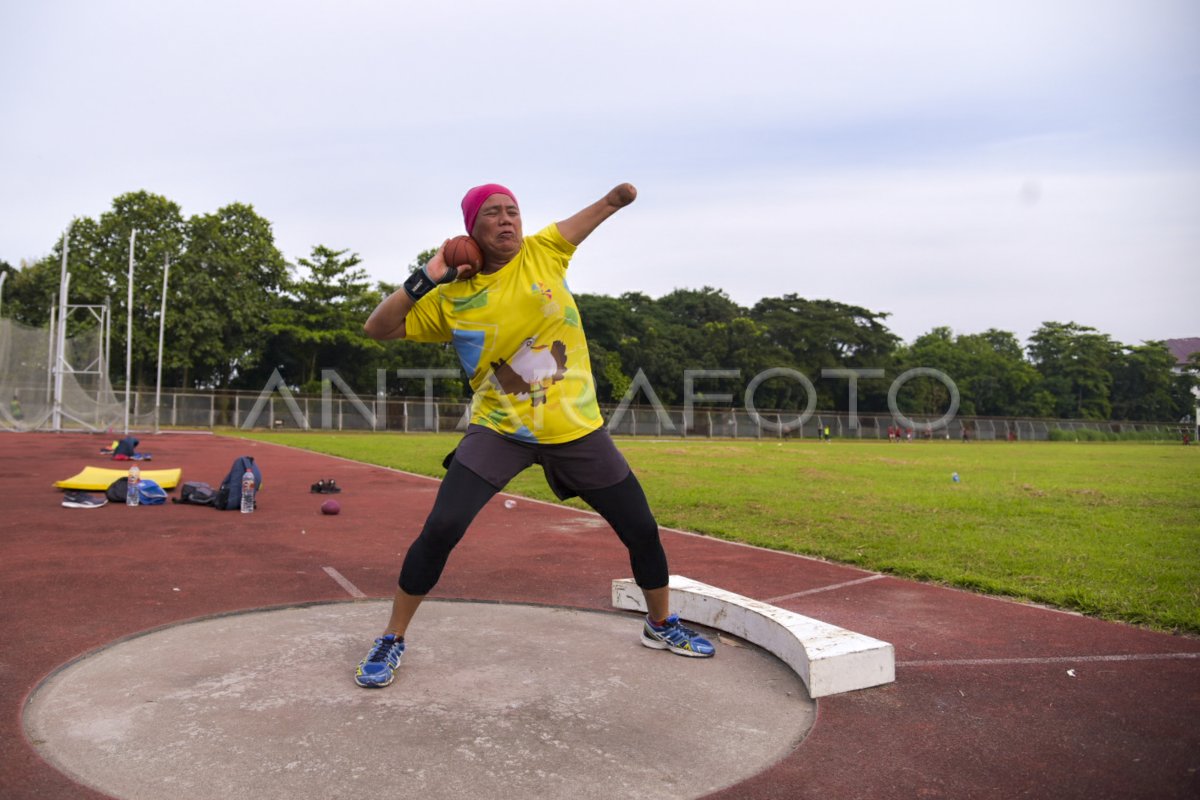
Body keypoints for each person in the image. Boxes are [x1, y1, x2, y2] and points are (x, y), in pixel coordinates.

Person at [356, 182, 715, 688]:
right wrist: (429, 276)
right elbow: (377, 328)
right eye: (493, 215)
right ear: (472, 230)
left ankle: (660, 623)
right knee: (442, 528)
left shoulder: (544, 252)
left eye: (513, 212)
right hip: (500, 429)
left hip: (577, 430)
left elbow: (599, 212)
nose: (507, 221)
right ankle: (393, 637)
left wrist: (618, 198)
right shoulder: (452, 298)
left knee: (641, 528)